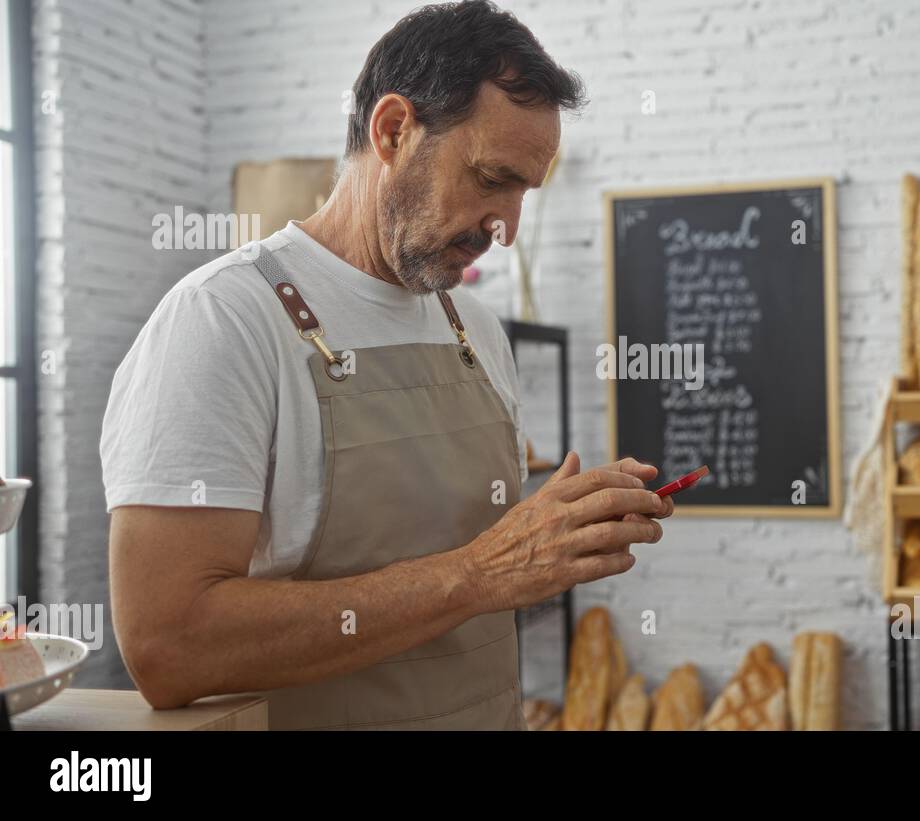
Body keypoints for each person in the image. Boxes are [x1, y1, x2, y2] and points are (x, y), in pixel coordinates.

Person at [101, 0, 672, 730]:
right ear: (395, 130)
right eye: (491, 178)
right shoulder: (223, 321)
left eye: (523, 192)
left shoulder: (479, 331)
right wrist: (482, 572)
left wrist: (548, 537)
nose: (508, 226)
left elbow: (468, 580)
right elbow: (166, 644)